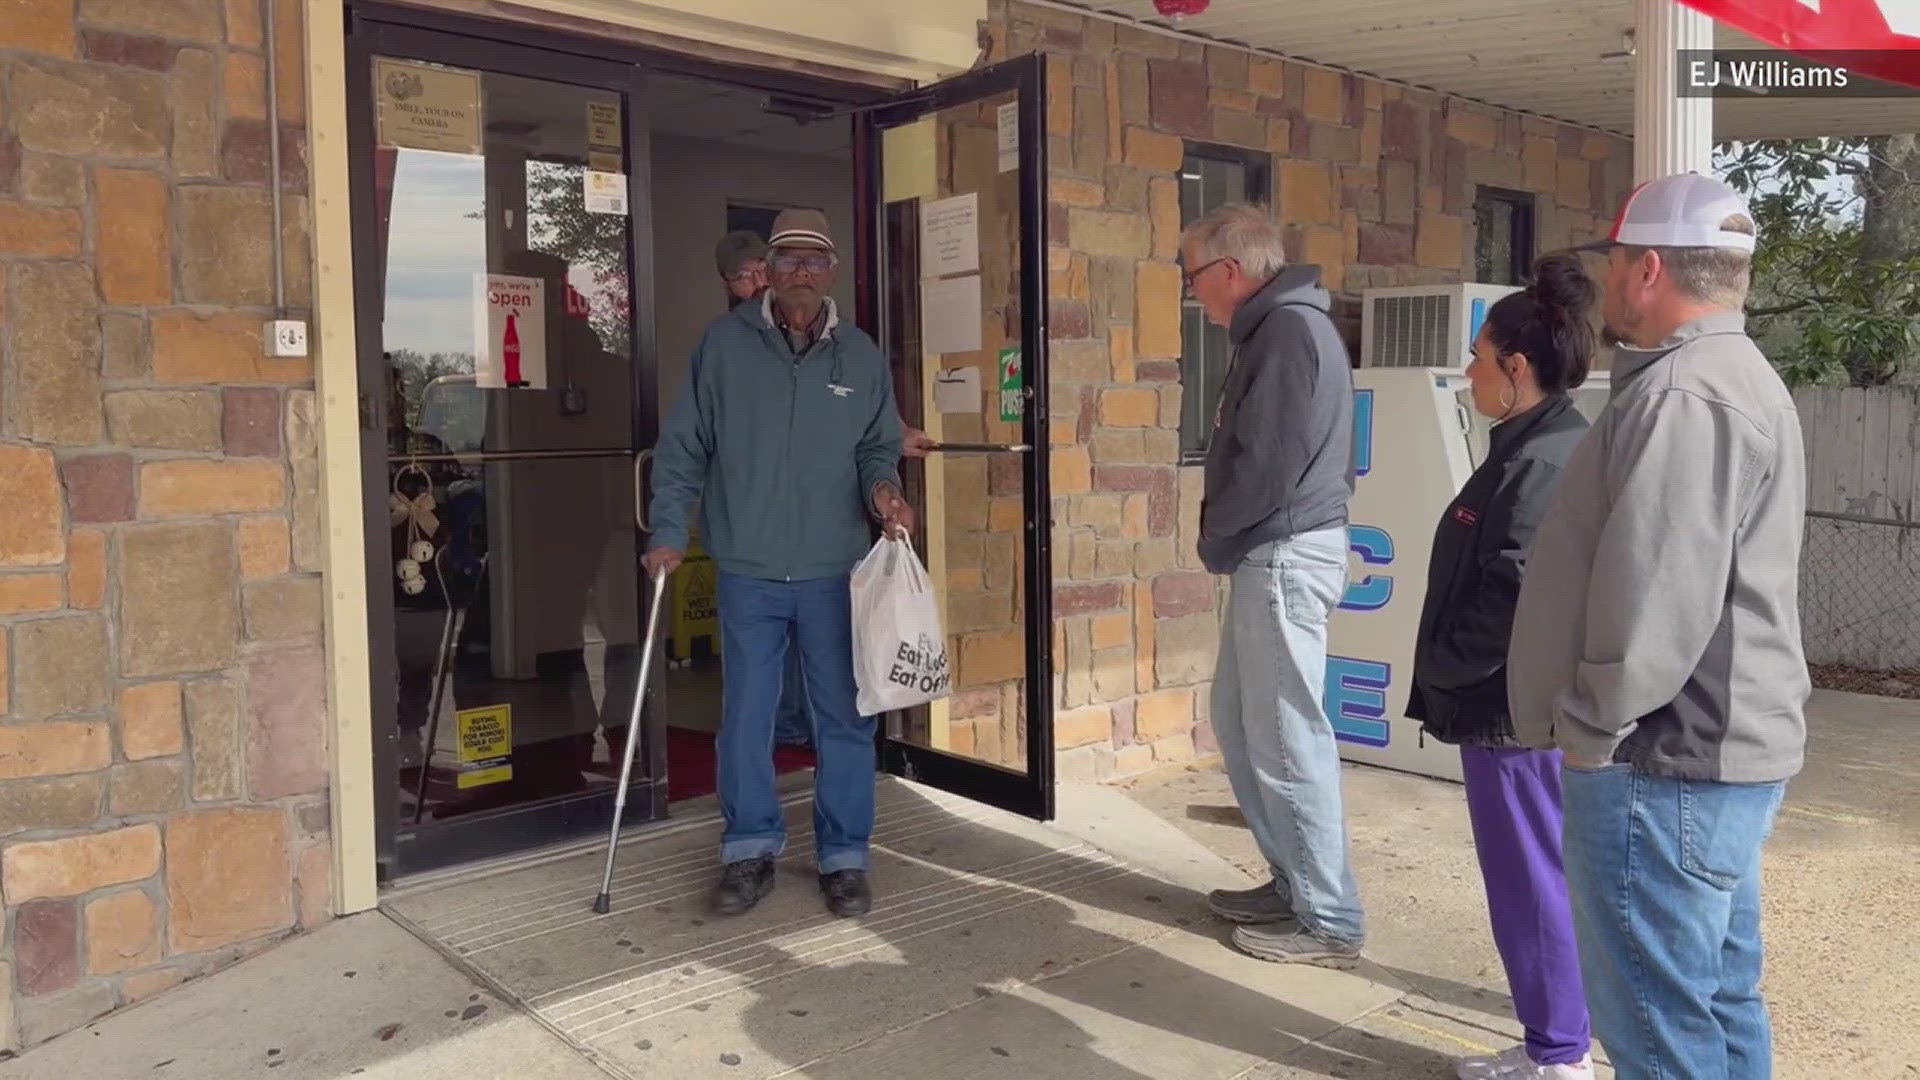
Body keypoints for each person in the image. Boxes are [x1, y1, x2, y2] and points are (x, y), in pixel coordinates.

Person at [1508, 173, 1808, 1079]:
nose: (1608, 290)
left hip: (1661, 761)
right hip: (1707, 757)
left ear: (1646, 269)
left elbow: (1656, 593)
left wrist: (1594, 730)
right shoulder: (1729, 378)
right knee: (1716, 1003)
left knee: (1658, 1033)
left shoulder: (1687, 393)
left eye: (1613, 268)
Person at [649, 208, 915, 919]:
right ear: (768, 269)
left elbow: (874, 448)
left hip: (834, 570)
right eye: (790, 259)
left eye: (815, 261)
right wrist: (669, 529)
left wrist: (883, 490)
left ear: (831, 272)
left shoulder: (859, 355)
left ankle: (845, 856)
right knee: (747, 716)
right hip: (749, 567)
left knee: (843, 717)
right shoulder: (724, 348)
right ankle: (748, 848)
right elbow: (684, 450)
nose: (803, 272)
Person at [1405, 256, 1598, 1080]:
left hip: (1509, 714)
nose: (1468, 371)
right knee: (1535, 880)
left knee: (1531, 886)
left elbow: (1513, 588)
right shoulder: (1533, 444)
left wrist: (1444, 665)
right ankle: (1555, 1040)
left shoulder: (1542, 459)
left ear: (1516, 369)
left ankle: (1557, 1057)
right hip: (1509, 707)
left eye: (1479, 357)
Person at [1183, 202, 1366, 966]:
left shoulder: (1289, 332)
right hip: (1275, 550)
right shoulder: (1280, 327)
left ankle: (1328, 919)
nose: (1191, 292)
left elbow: (1268, 463)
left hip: (1283, 552)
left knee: (1288, 738)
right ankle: (1293, 883)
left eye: (1191, 275)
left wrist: (1217, 535)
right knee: (1241, 721)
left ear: (1230, 270)